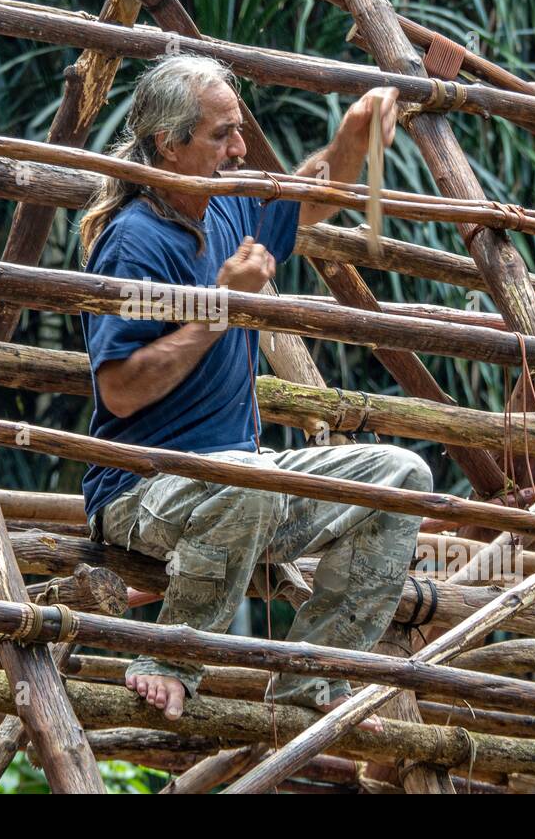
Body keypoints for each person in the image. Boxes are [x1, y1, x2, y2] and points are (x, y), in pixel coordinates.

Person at [78, 54, 431, 722]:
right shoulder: (133, 240)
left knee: (403, 474)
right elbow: (121, 391)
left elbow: (313, 197)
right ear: (167, 146)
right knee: (244, 478)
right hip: (141, 494)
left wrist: (354, 137)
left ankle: (312, 676)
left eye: (238, 130)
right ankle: (170, 656)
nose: (240, 148)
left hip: (242, 489)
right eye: (221, 135)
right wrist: (220, 304)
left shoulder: (228, 202)